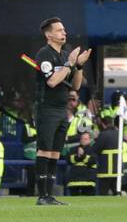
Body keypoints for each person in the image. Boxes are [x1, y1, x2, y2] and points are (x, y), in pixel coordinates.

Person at [33, 17, 90, 206]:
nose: (64, 33)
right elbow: (51, 81)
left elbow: (75, 85)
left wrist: (79, 66)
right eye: (59, 30)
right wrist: (68, 64)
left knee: (55, 152)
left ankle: (50, 195)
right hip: (46, 109)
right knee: (44, 150)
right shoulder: (44, 54)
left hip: (61, 109)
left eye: (64, 29)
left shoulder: (66, 55)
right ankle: (42, 195)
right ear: (49, 35)